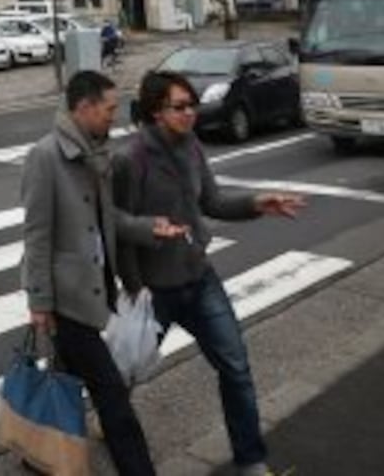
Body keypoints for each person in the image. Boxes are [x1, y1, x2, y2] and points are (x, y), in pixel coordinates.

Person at [114, 67, 307, 476]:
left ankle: (251, 462)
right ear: (155, 111)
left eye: (193, 105)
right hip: (155, 289)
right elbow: (115, 222)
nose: (190, 113)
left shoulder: (192, 147)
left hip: (199, 278)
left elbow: (213, 201)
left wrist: (256, 203)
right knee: (125, 370)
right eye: (180, 106)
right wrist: (134, 282)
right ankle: (104, 414)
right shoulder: (130, 160)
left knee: (235, 366)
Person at [21, 66, 188, 476]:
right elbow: (36, 236)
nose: (114, 116)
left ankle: (37, 456)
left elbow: (107, 218)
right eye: (108, 109)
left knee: (65, 377)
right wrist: (39, 302)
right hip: (67, 297)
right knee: (111, 394)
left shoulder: (96, 154)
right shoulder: (46, 156)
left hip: (94, 290)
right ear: (84, 107)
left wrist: (150, 227)